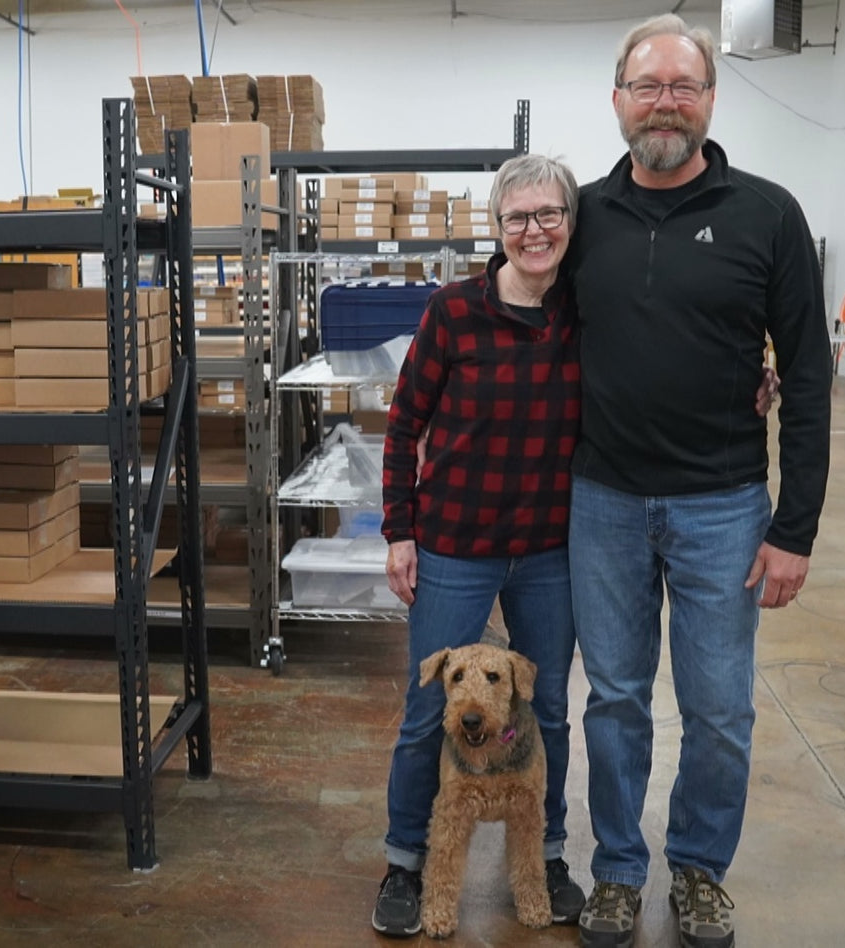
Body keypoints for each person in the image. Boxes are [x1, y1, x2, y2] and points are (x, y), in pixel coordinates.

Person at [567, 14, 832, 948]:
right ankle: (615, 872)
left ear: (711, 99)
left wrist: (794, 525)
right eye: (648, 86)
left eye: (684, 86)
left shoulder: (768, 213)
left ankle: (698, 870)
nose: (665, 102)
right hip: (600, 501)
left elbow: (806, 373)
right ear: (618, 100)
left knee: (719, 709)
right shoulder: (584, 215)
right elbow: (519, 301)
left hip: (724, 505)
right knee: (615, 699)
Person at [373, 153, 587, 938]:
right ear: (497, 229)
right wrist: (401, 529)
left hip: (549, 549)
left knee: (548, 709)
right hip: (456, 542)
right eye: (518, 218)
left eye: (549, 215)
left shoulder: (584, 312)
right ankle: (405, 862)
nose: (534, 231)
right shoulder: (454, 312)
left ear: (569, 223)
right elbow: (404, 426)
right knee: (431, 709)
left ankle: (550, 852)